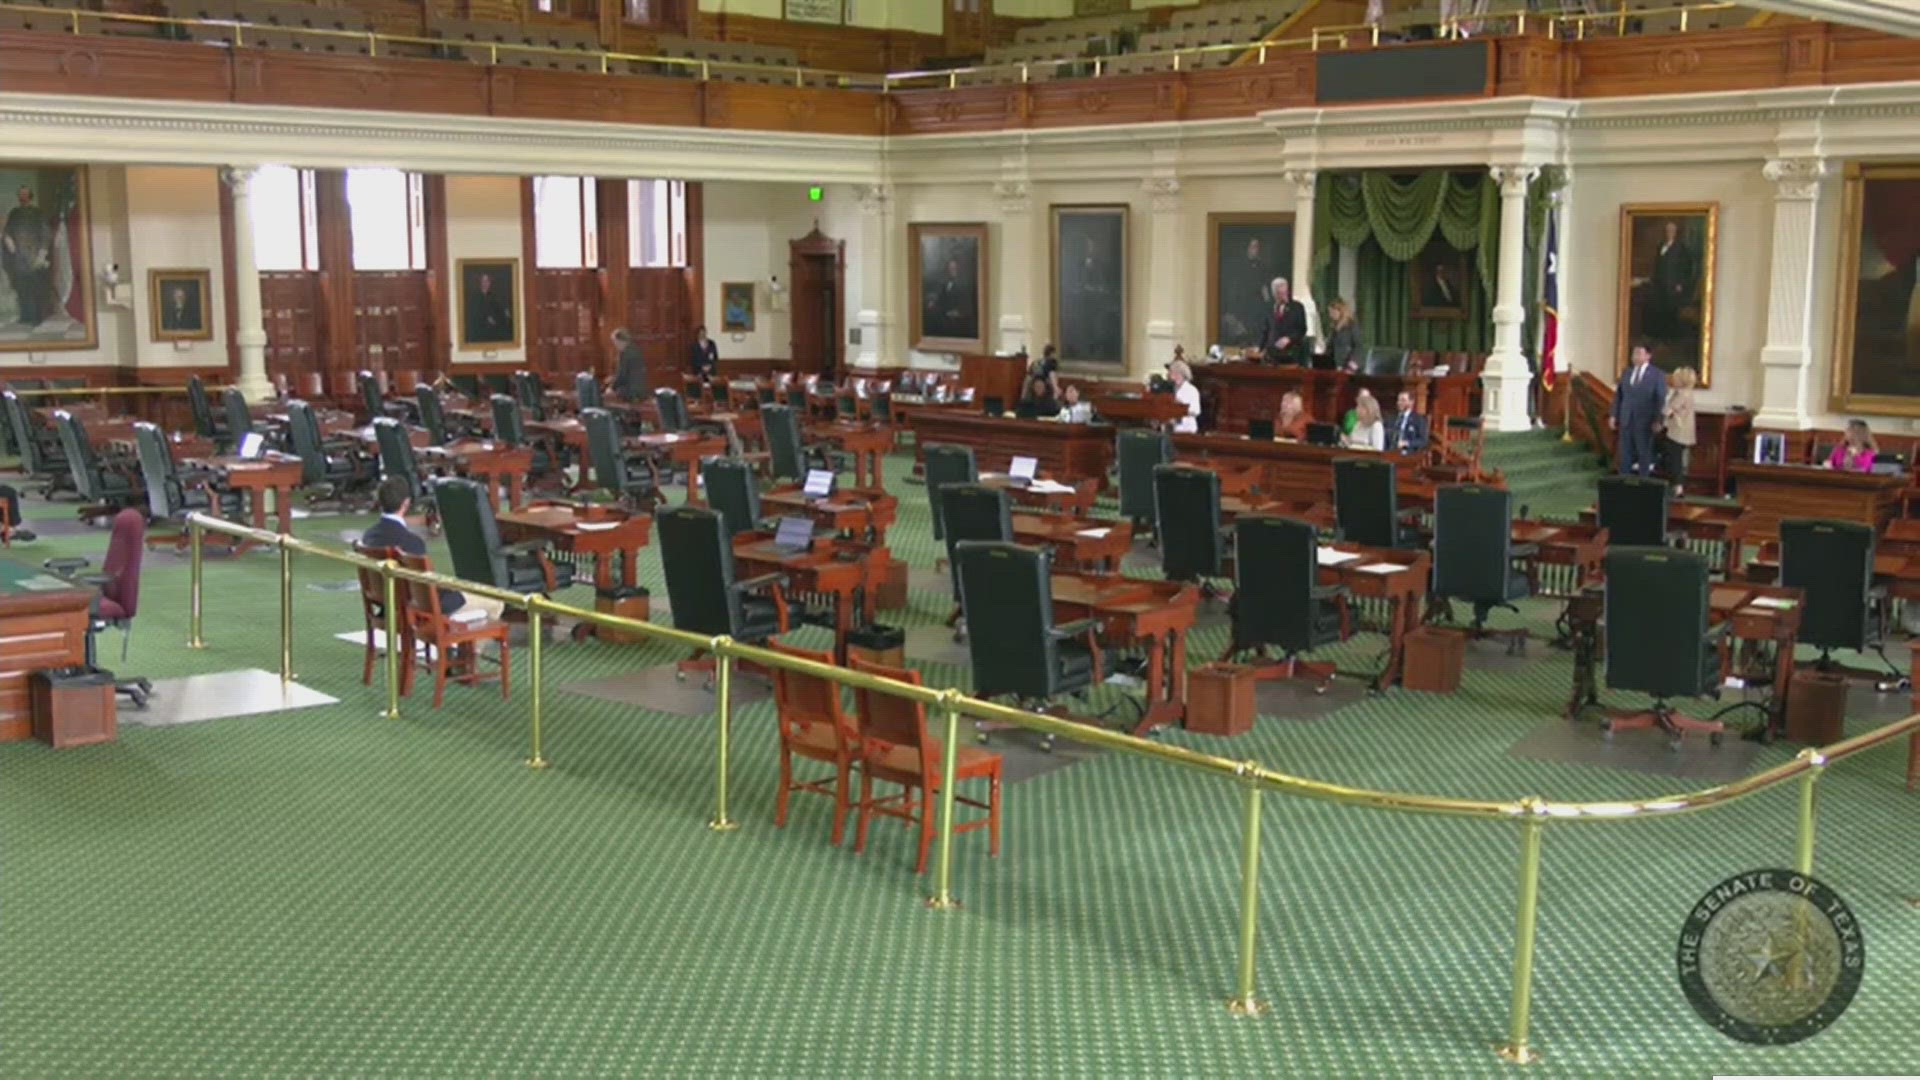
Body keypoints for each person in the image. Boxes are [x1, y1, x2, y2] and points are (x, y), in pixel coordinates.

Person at [360, 477, 506, 625]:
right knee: (496, 602)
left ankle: (465, 645)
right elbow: (426, 591)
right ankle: (472, 647)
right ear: (406, 503)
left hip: (388, 605)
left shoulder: (368, 537)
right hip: (420, 607)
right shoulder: (412, 543)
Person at [1610, 342, 1666, 476]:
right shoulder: (1627, 372)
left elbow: (1660, 399)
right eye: (1634, 353)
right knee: (1625, 454)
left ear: (1648, 356)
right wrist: (1613, 415)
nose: (1635, 357)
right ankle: (1623, 484)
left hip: (1645, 421)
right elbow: (1619, 396)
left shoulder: (1656, 375)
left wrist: (1659, 420)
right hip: (1626, 419)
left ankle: (1643, 484)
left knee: (1644, 454)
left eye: (1639, 353)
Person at [2, 186, 52, 326]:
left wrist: (42, 253)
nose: (22, 197)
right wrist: (8, 240)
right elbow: (7, 231)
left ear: (30, 196)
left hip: (34, 255)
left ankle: (37, 318)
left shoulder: (38, 213)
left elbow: (46, 233)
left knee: (35, 287)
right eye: (20, 194)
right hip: (18, 256)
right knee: (21, 287)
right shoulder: (15, 213)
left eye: (25, 194)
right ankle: (25, 316)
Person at [1661, 365, 1698, 494]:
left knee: (1675, 459)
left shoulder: (1682, 394)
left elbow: (1668, 410)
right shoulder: (1688, 392)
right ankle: (1677, 485)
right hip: (1682, 431)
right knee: (1676, 459)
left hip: (1678, 432)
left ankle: (1678, 487)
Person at [923, 256, 976, 340]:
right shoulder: (946, 282)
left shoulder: (964, 284)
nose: (952, 271)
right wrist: (933, 302)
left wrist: (958, 312)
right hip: (945, 316)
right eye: (950, 268)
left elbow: (967, 304)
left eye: (954, 268)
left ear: (958, 269)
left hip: (957, 319)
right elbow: (941, 297)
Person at [1259, 277, 1308, 365]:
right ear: (1274, 293)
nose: (1282, 296)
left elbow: (1302, 330)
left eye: (1284, 292)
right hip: (1271, 356)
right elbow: (1265, 332)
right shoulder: (1269, 309)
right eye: (1279, 293)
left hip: (1290, 355)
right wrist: (1260, 350)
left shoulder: (1297, 307)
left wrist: (1289, 339)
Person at [463, 270, 513, 345]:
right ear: (480, 282)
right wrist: (486, 318)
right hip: (480, 330)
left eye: (487, 281)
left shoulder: (493, 296)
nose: (485, 283)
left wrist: (505, 313)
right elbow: (474, 314)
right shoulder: (474, 297)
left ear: (490, 282)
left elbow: (498, 310)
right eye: (483, 281)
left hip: (493, 329)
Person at [1325, 298, 1363, 372]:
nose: (1330, 315)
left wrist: (1350, 368)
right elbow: (1330, 348)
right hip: (1335, 367)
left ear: (1341, 311)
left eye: (1333, 312)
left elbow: (1358, 348)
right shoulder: (1334, 328)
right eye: (1329, 312)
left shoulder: (1352, 325)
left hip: (1349, 368)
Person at [609, 328, 646, 400]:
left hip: (629, 391)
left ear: (620, 341)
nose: (615, 346)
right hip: (640, 390)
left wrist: (612, 388)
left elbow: (622, 375)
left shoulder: (625, 354)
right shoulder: (635, 349)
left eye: (615, 342)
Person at [1168, 360, 1201, 434]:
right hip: (1172, 428)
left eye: (1176, 374)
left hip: (1187, 428)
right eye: (1172, 374)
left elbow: (1196, 410)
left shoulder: (1192, 390)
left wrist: (1181, 407)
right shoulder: (1172, 389)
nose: (1173, 377)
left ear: (1183, 375)